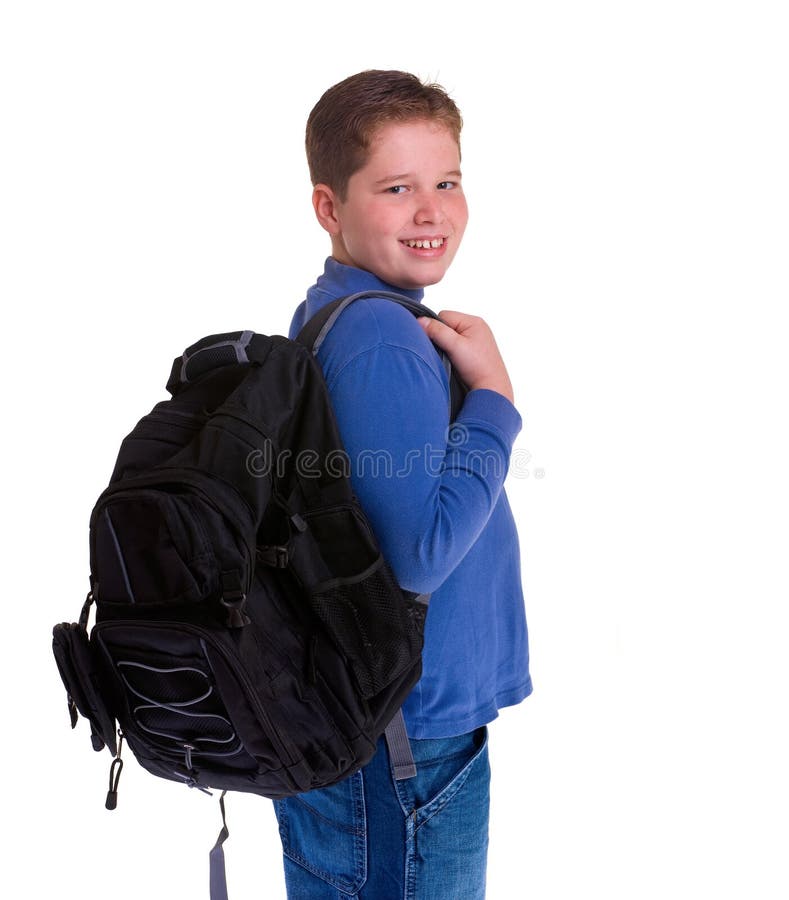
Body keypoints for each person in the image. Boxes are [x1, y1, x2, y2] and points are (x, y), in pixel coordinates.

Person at [273, 70, 532, 900]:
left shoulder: (346, 312)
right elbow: (413, 557)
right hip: (403, 746)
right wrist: (492, 397)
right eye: (397, 188)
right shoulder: (380, 336)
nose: (432, 212)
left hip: (381, 732)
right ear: (329, 207)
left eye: (446, 181)